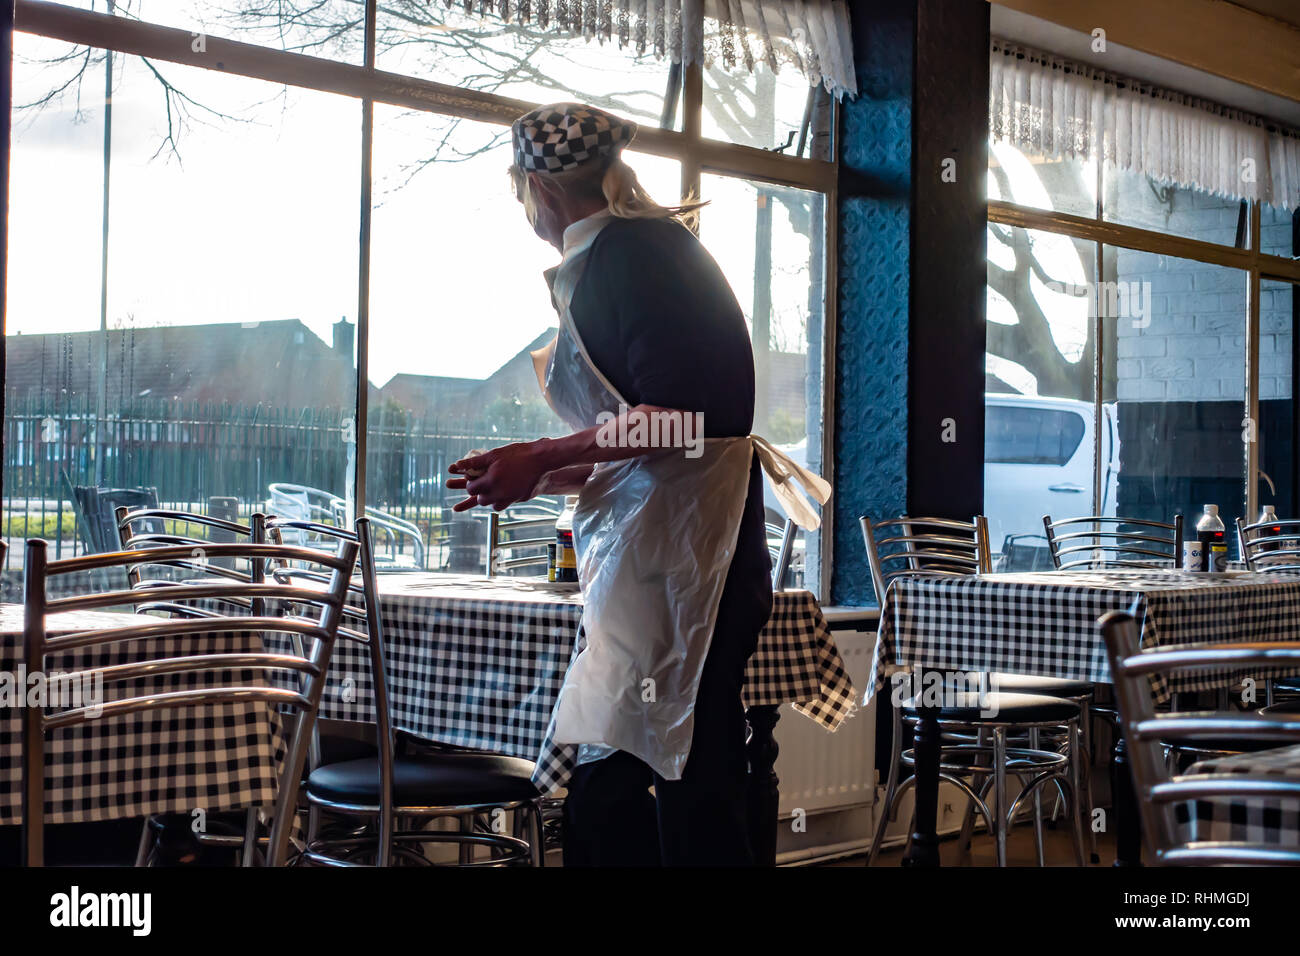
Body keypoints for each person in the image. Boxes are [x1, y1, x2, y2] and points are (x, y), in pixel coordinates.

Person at [447, 103, 826, 866]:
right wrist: (543, 471)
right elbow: (655, 437)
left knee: (685, 776)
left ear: (541, 192)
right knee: (638, 775)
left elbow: (683, 421)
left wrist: (548, 447)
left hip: (695, 565)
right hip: (663, 561)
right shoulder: (633, 252)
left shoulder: (636, 255)